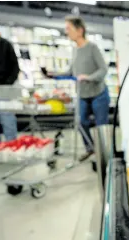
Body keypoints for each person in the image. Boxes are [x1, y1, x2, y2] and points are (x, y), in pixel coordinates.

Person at [52, 16, 109, 161]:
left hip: (98, 94)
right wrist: (53, 75)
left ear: (80, 30)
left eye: (69, 29)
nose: (67, 32)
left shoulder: (92, 48)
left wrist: (88, 77)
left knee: (101, 126)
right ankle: (90, 148)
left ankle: (103, 156)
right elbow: (71, 72)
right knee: (81, 122)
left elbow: (103, 69)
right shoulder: (75, 50)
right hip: (83, 94)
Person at [0, 33, 19, 145]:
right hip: (2, 86)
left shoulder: (4, 44)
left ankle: (12, 148)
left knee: (7, 119)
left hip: (4, 88)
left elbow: (15, 67)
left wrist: (8, 83)